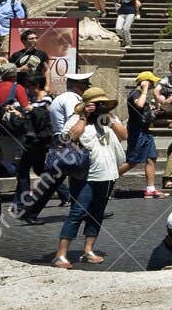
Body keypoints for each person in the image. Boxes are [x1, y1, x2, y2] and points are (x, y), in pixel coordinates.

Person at [53, 88, 127, 268]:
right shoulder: (76, 119)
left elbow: (124, 135)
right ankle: (60, 255)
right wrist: (84, 117)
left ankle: (88, 250)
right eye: (97, 104)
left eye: (103, 103)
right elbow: (69, 138)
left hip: (107, 174)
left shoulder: (107, 120)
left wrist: (108, 116)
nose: (99, 107)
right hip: (85, 175)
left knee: (97, 214)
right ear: (86, 105)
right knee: (77, 213)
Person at [122, 72, 165, 199]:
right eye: (151, 82)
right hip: (137, 131)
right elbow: (139, 105)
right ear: (145, 82)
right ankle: (109, 179)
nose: (153, 84)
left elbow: (142, 109)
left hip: (145, 130)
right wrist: (145, 89)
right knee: (133, 161)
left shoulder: (140, 94)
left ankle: (150, 189)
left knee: (151, 157)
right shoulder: (135, 93)